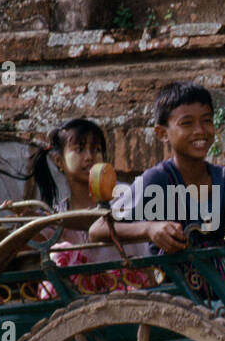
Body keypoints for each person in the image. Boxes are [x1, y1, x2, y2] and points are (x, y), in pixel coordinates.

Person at [101, 80, 225, 309]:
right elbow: (98, 229)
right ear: (162, 133)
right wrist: (149, 228)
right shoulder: (157, 179)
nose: (200, 131)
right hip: (173, 292)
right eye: (187, 123)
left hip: (223, 283)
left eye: (206, 121)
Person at [31, 118, 157, 297]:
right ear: (58, 160)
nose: (90, 157)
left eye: (96, 150)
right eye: (79, 149)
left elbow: (99, 221)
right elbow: (27, 243)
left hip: (128, 290)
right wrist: (26, 219)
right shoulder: (57, 212)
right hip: (77, 303)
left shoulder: (124, 195)